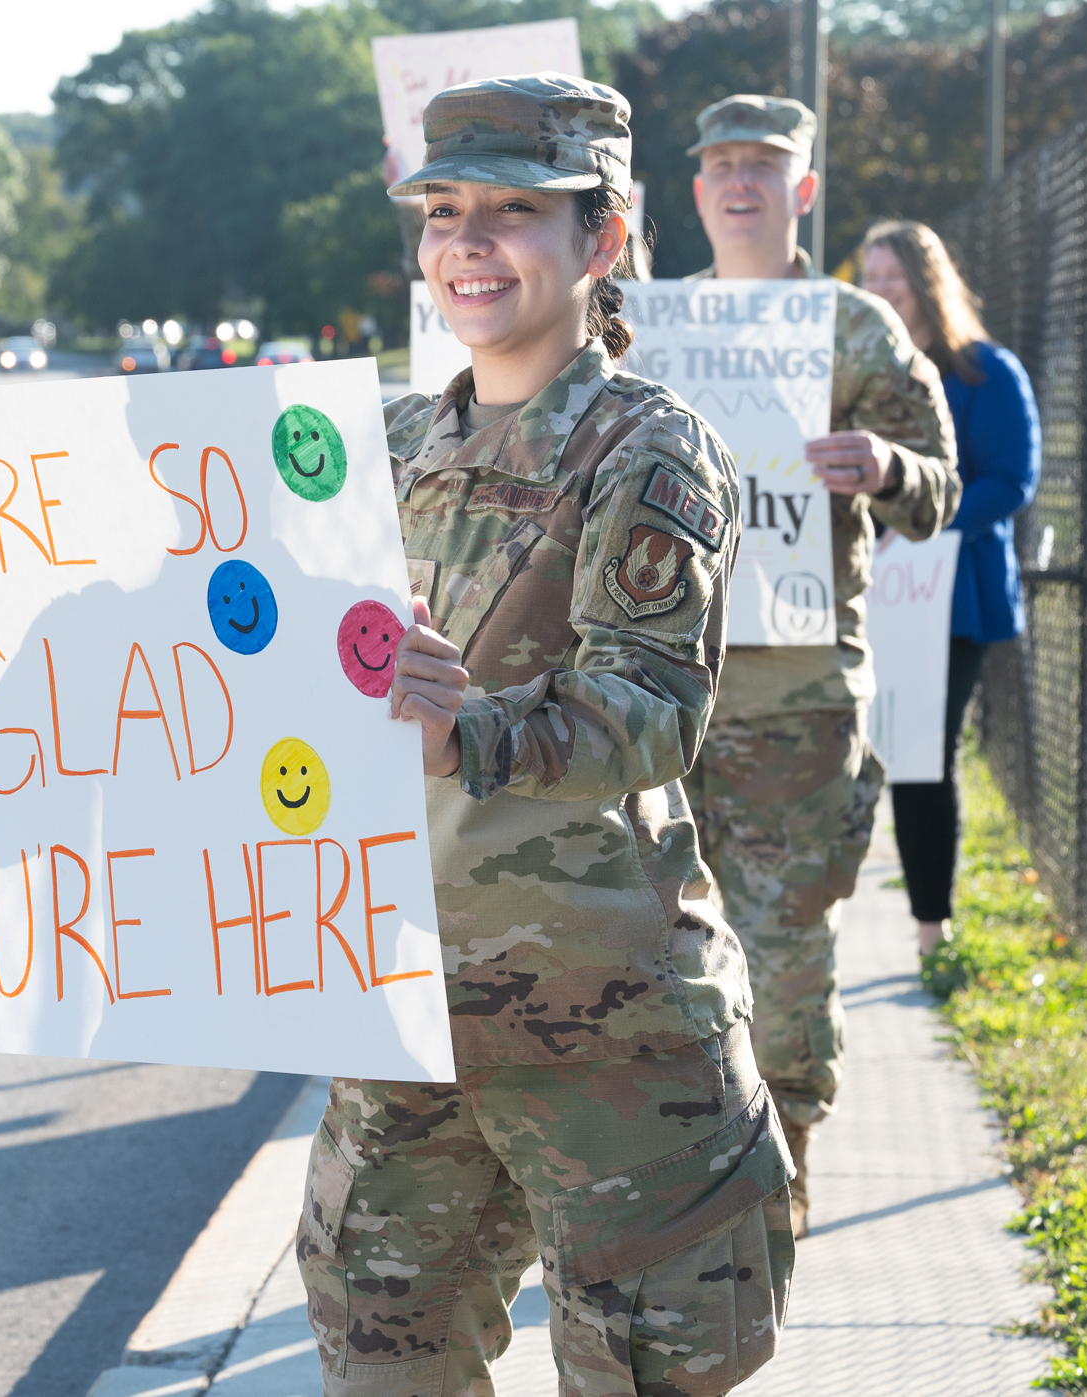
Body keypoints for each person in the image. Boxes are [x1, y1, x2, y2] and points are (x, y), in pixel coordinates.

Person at [291, 75, 789, 1397]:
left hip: (609, 1044)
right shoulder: (372, 451)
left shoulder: (648, 448)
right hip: (405, 1025)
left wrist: (465, 733)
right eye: (444, 209)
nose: (468, 240)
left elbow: (649, 709)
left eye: (517, 210)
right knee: (377, 1359)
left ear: (603, 238)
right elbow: (176, 672)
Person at [677, 96, 961, 1238]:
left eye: (764, 164)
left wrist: (886, 465)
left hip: (796, 701)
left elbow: (941, 485)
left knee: (786, 950)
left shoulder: (850, 327)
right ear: (695, 189)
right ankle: (685, 1188)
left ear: (802, 187)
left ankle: (779, 1172)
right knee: (664, 958)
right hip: (659, 694)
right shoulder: (644, 324)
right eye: (721, 164)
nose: (740, 180)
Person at [855, 219, 1040, 957]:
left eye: (893, 278)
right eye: (870, 279)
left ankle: (934, 929)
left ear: (929, 285)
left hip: (951, 601)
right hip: (861, 596)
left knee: (922, 756)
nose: (880, 293)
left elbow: (1012, 478)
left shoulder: (986, 373)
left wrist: (924, 517)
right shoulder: (855, 374)